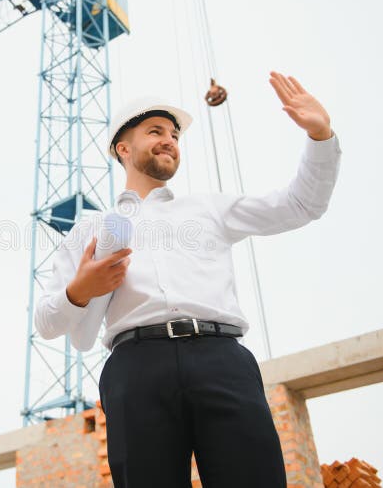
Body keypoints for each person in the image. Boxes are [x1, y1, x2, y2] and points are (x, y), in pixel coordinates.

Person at [34, 71, 342, 487]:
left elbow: (303, 204)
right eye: (155, 131)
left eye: (175, 135)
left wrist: (320, 137)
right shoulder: (91, 230)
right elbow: (46, 323)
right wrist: (79, 292)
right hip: (135, 369)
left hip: (221, 358)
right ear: (123, 148)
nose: (170, 140)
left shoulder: (209, 209)